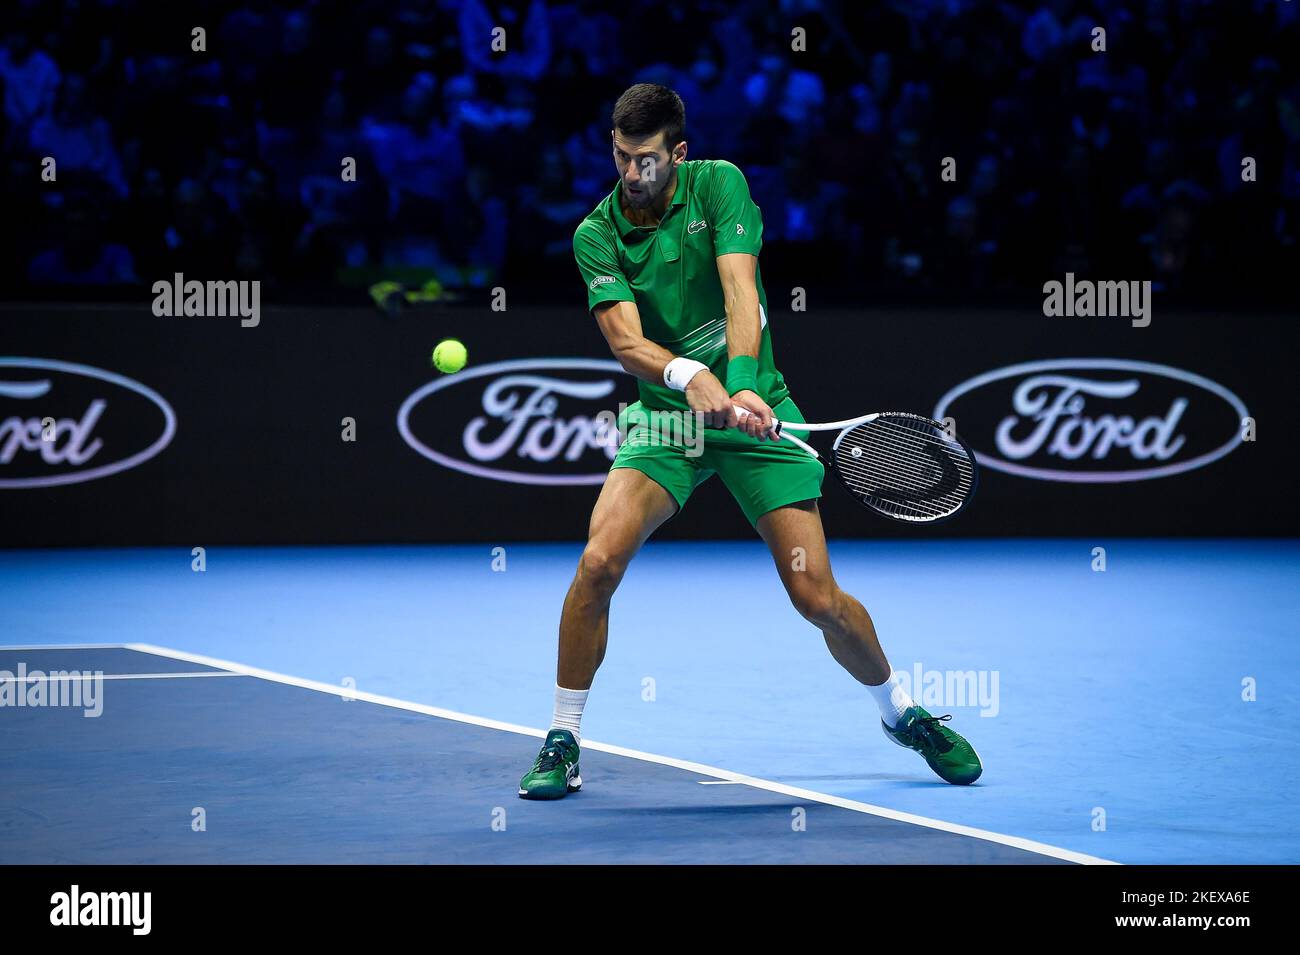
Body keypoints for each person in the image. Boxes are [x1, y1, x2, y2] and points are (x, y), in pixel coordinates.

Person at [519, 84, 981, 799]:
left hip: (755, 411)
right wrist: (689, 375)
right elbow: (625, 341)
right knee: (598, 560)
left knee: (817, 598)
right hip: (667, 422)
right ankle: (562, 737)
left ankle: (902, 713)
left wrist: (739, 385)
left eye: (645, 160)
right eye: (620, 157)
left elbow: (741, 292)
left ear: (679, 152)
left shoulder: (721, 185)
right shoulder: (596, 233)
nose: (632, 174)